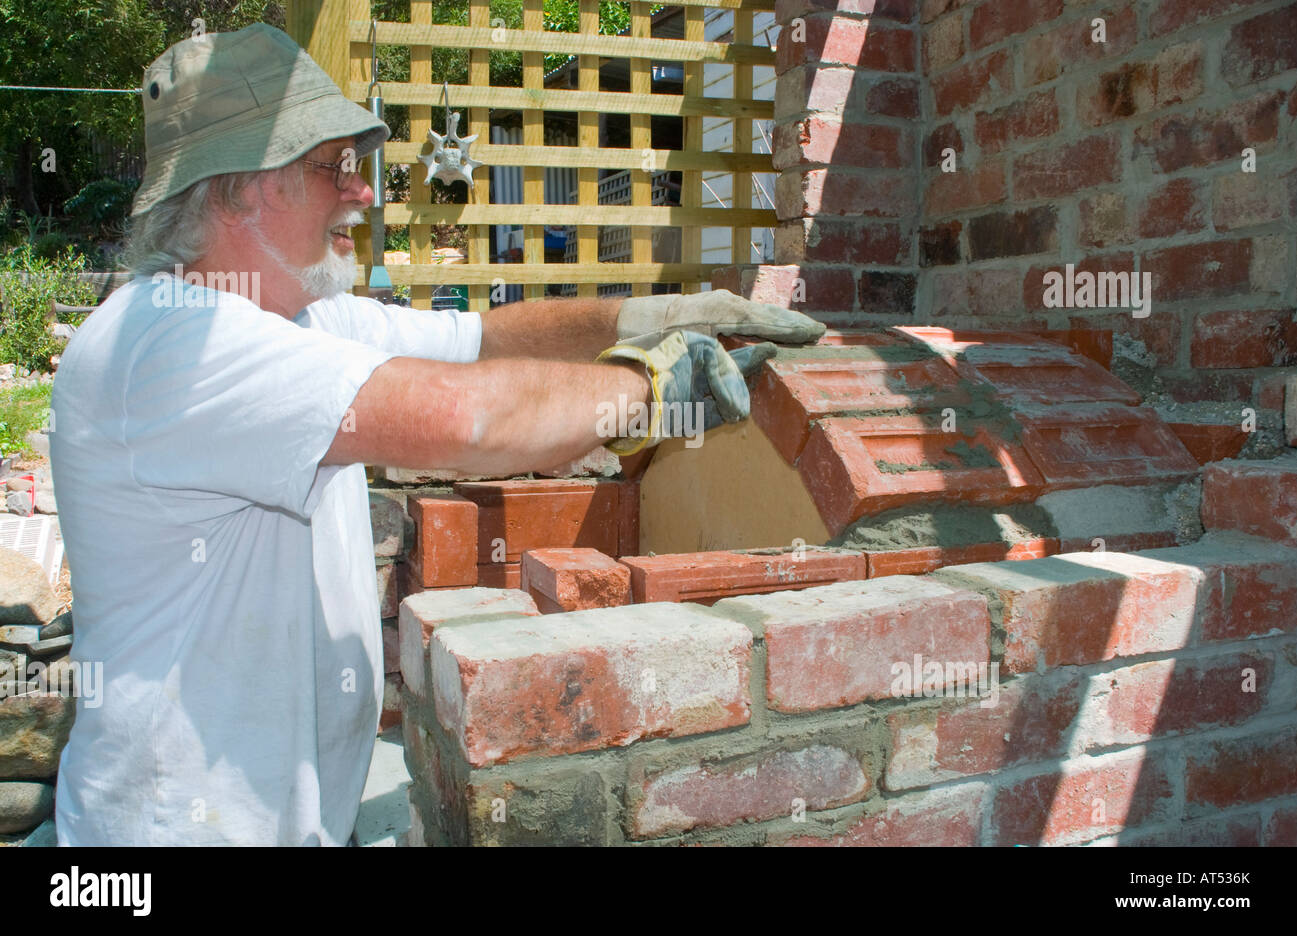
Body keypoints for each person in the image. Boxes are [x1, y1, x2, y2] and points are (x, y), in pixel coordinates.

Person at [49, 23, 824, 846]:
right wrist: (651, 387)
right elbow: (466, 418)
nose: (362, 191)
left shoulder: (301, 316)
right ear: (241, 186)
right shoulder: (169, 344)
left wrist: (648, 317)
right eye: (333, 165)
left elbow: (485, 340)